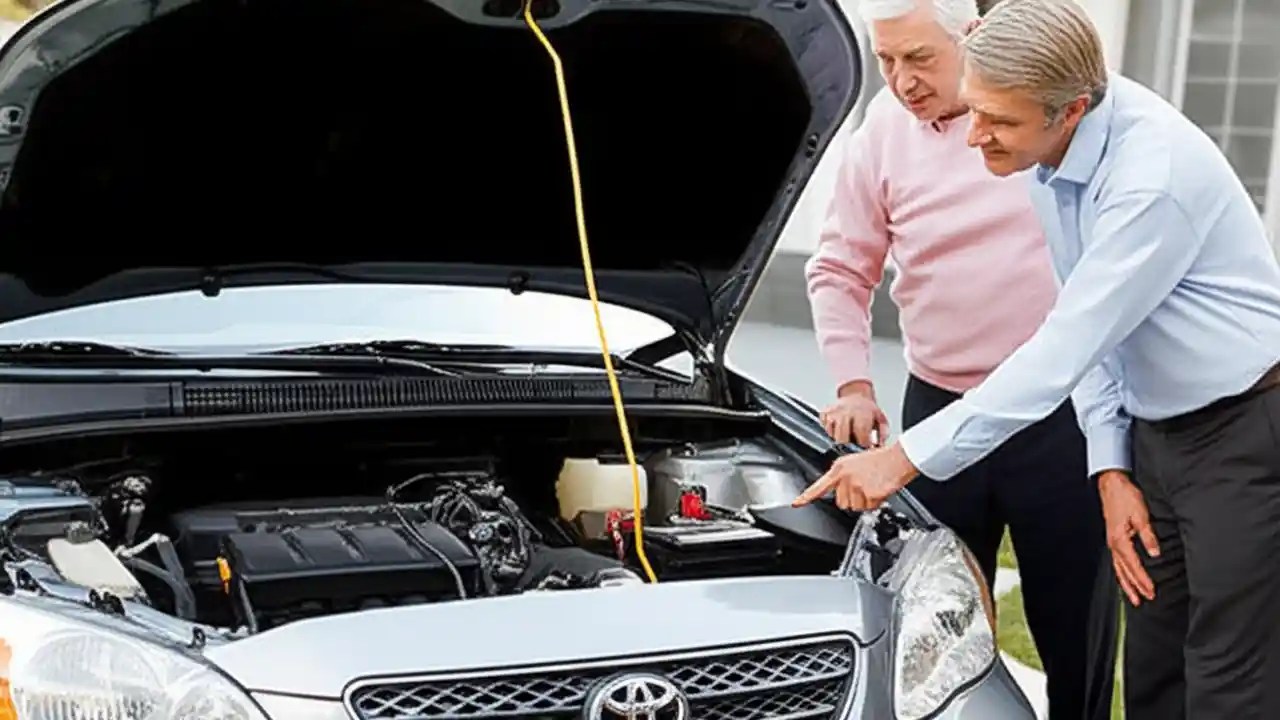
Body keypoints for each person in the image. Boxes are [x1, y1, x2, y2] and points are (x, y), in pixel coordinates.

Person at [795, 0, 1280, 717]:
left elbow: (1065, 347)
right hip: (1154, 432)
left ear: (1071, 109)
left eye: (996, 121)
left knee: (1227, 679)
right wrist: (1113, 465)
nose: (973, 136)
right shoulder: (1049, 156)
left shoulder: (1150, 180)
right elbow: (1091, 332)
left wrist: (900, 461)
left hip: (1239, 433)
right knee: (1153, 670)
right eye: (976, 111)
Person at [803, 1, 1116, 717]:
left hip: (1058, 420)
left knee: (1075, 633)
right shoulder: (883, 129)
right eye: (885, 62)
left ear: (969, 35)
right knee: (926, 634)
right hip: (937, 413)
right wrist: (853, 382)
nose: (902, 81)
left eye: (919, 59)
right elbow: (840, 268)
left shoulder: (1034, 115)